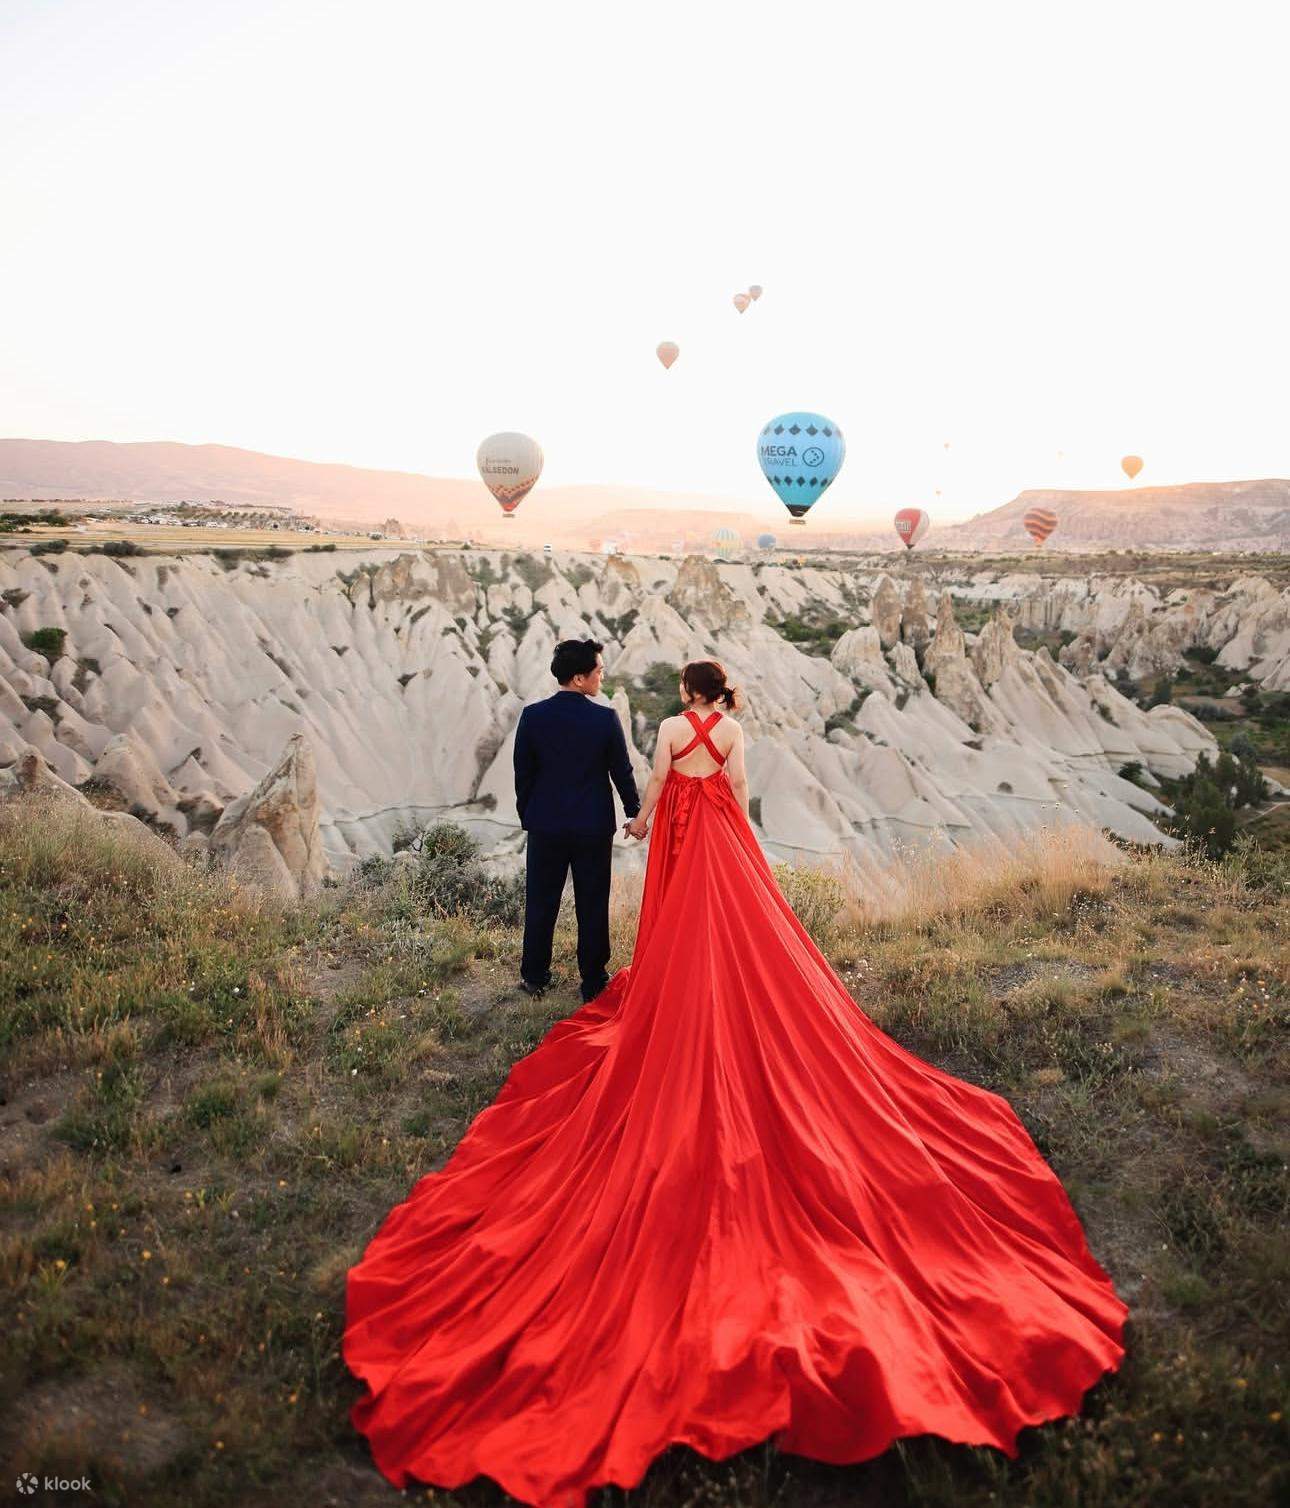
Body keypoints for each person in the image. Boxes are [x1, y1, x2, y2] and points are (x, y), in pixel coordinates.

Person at [345, 657, 1128, 1508]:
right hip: (722, 835)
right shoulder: (733, 730)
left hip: (682, 837)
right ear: (721, 694)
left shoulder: (667, 729)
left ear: (688, 693)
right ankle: (721, 984)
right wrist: (735, 830)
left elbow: (654, 781)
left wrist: (645, 823)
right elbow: (744, 790)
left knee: (683, 927)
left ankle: (677, 987)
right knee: (738, 927)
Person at [511, 638, 641, 1004]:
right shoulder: (604, 718)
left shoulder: (533, 716)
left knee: (541, 901)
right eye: (599, 671)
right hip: (592, 827)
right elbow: (622, 771)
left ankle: (534, 976)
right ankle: (594, 980)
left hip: (546, 825)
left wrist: (529, 815)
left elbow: (523, 773)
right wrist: (633, 811)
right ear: (580, 678)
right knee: (592, 903)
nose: (602, 676)